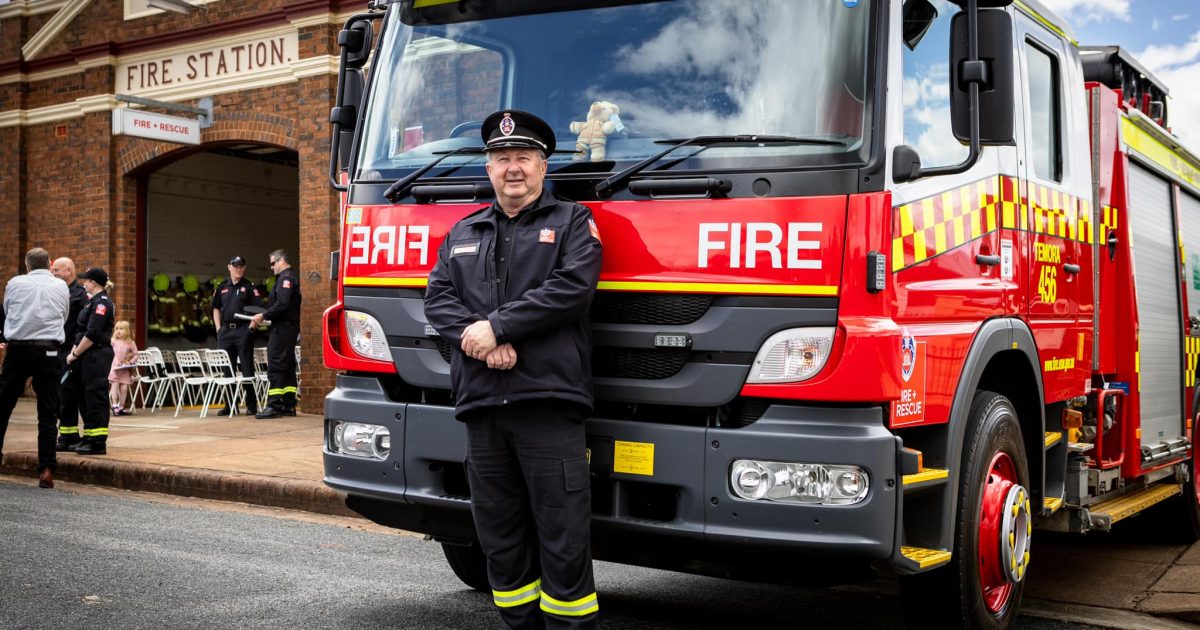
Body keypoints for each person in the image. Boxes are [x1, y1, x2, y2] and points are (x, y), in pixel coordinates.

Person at [424, 110, 604, 629]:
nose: (513, 168)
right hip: (482, 406)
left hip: (547, 404)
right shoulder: (464, 229)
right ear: (489, 168)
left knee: (563, 536)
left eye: (524, 158)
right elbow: (438, 297)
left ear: (543, 167)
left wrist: (499, 327)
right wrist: (479, 340)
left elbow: (571, 289)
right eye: (503, 159)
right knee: (499, 538)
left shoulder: (572, 222)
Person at [0, 248, 70, 488]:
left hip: (18, 348)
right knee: (48, 412)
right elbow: (64, 316)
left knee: (4, 405)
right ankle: (47, 469)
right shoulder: (61, 286)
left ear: (27, 265)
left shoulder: (15, 283)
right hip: (49, 349)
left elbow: (8, 312)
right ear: (50, 264)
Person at [66, 268, 115, 455]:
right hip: (86, 355)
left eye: (85, 281)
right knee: (85, 397)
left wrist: (75, 354)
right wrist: (75, 350)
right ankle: (89, 436)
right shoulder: (91, 302)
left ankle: (97, 442)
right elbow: (81, 331)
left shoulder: (101, 303)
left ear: (93, 283)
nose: (83, 284)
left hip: (96, 354)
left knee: (95, 397)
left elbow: (92, 334)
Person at [251, 250, 301, 419]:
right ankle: (288, 404)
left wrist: (263, 315)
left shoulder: (286, 279)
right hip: (286, 327)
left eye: (273, 263)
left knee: (276, 364)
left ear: (281, 261)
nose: (271, 267)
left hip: (283, 328)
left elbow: (282, 304)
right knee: (286, 365)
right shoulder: (286, 278)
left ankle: (274, 405)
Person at [211, 256, 262, 416]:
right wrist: (219, 329)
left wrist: (250, 329)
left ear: (244, 268)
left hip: (242, 331)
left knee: (247, 368)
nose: (238, 269)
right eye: (235, 266)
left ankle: (251, 405)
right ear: (229, 267)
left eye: (241, 266)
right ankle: (230, 405)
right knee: (227, 369)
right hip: (226, 332)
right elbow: (216, 308)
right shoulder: (222, 286)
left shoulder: (249, 287)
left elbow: (259, 310)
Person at [51, 256, 89, 451]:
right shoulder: (55, 291)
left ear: (69, 271)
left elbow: (83, 326)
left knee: (68, 394)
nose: (53, 273)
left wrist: (75, 349)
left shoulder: (81, 295)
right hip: (56, 350)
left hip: (70, 351)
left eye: (56, 270)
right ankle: (68, 433)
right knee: (58, 394)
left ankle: (68, 436)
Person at [107, 320, 138, 416]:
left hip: (124, 369)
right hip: (115, 368)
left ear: (127, 331)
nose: (118, 331)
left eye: (121, 329)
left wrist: (130, 361)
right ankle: (115, 405)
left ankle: (121, 407)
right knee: (114, 387)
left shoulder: (130, 343)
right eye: (116, 329)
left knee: (124, 388)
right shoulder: (113, 341)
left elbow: (136, 354)